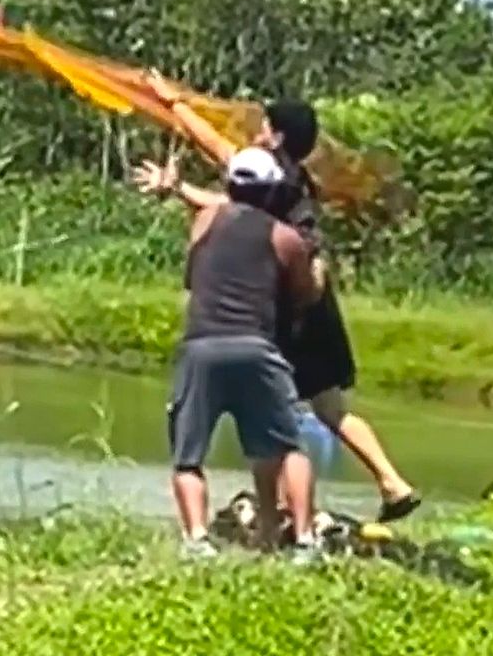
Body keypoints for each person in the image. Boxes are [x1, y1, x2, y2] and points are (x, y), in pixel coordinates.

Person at [137, 71, 422, 524]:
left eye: (266, 126)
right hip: (315, 300)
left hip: (285, 303)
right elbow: (229, 203)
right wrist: (177, 189)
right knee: (328, 404)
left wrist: (175, 105)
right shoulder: (295, 180)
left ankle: (284, 514)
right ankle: (391, 482)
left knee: (273, 414)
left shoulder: (271, 174)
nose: (258, 131)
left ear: (279, 136)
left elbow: (217, 158)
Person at [136, 145, 323, 564]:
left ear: (230, 184)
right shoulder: (285, 238)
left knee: (188, 455)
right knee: (288, 444)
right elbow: (304, 294)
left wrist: (176, 187)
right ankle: (306, 541)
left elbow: (217, 211)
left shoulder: (204, 221)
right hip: (258, 349)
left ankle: (197, 540)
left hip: (202, 346)